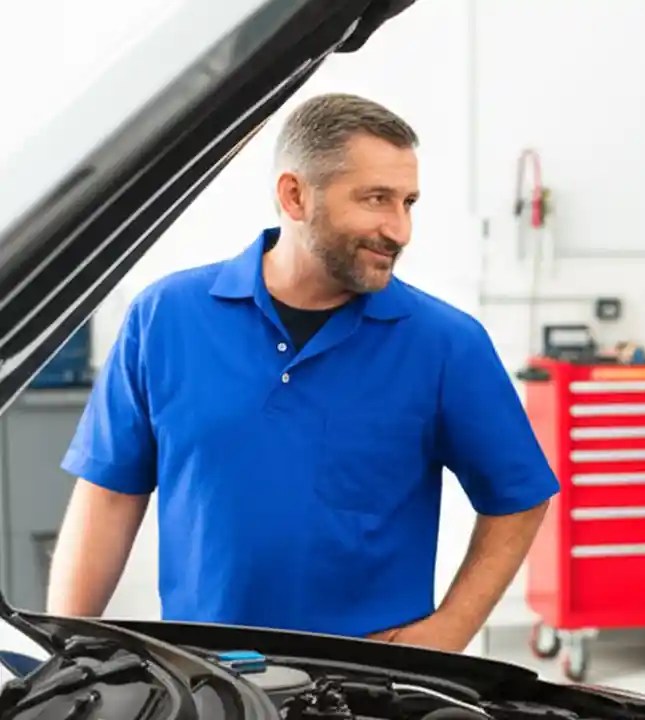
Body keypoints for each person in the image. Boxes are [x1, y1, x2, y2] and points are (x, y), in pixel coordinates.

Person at [46, 92, 560, 653]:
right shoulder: (165, 317)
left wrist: (448, 632)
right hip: (207, 679)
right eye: (376, 199)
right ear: (294, 196)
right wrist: (64, 654)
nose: (400, 229)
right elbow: (109, 496)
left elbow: (519, 497)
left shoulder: (446, 343)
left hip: (370, 687)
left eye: (408, 202)